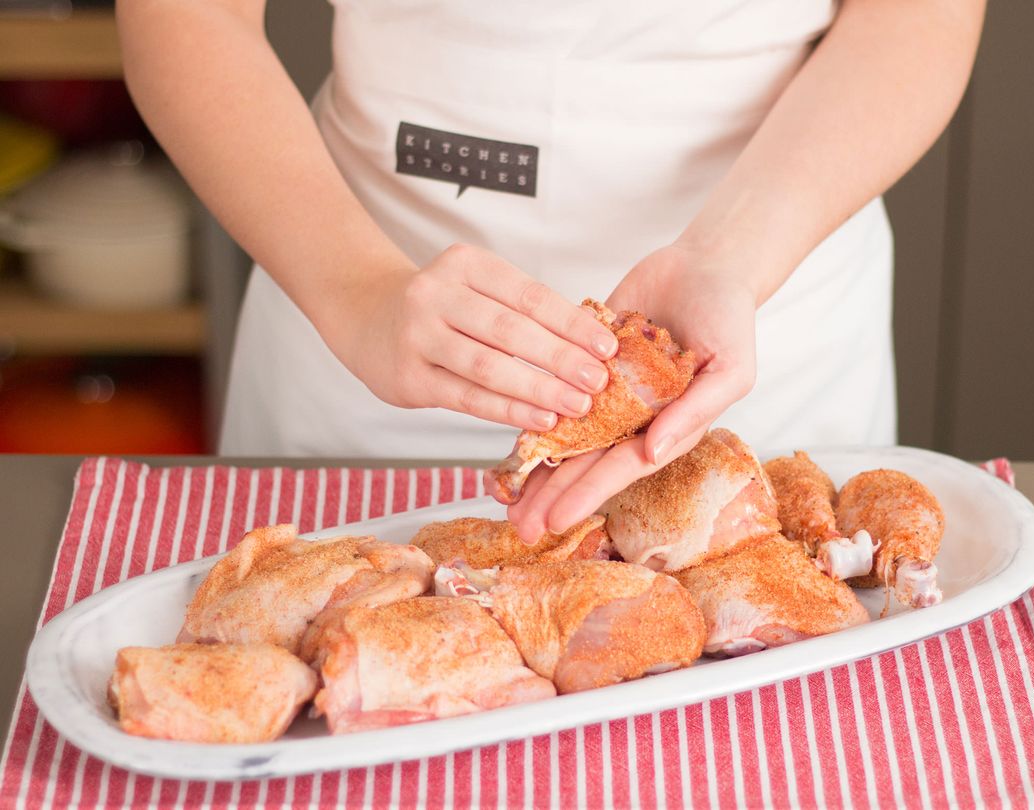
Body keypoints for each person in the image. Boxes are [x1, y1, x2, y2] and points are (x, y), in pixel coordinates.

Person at [116, 0, 985, 542]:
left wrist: (731, 257)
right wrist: (355, 288)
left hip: (758, 325)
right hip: (358, 329)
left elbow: (914, 12)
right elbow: (189, 11)